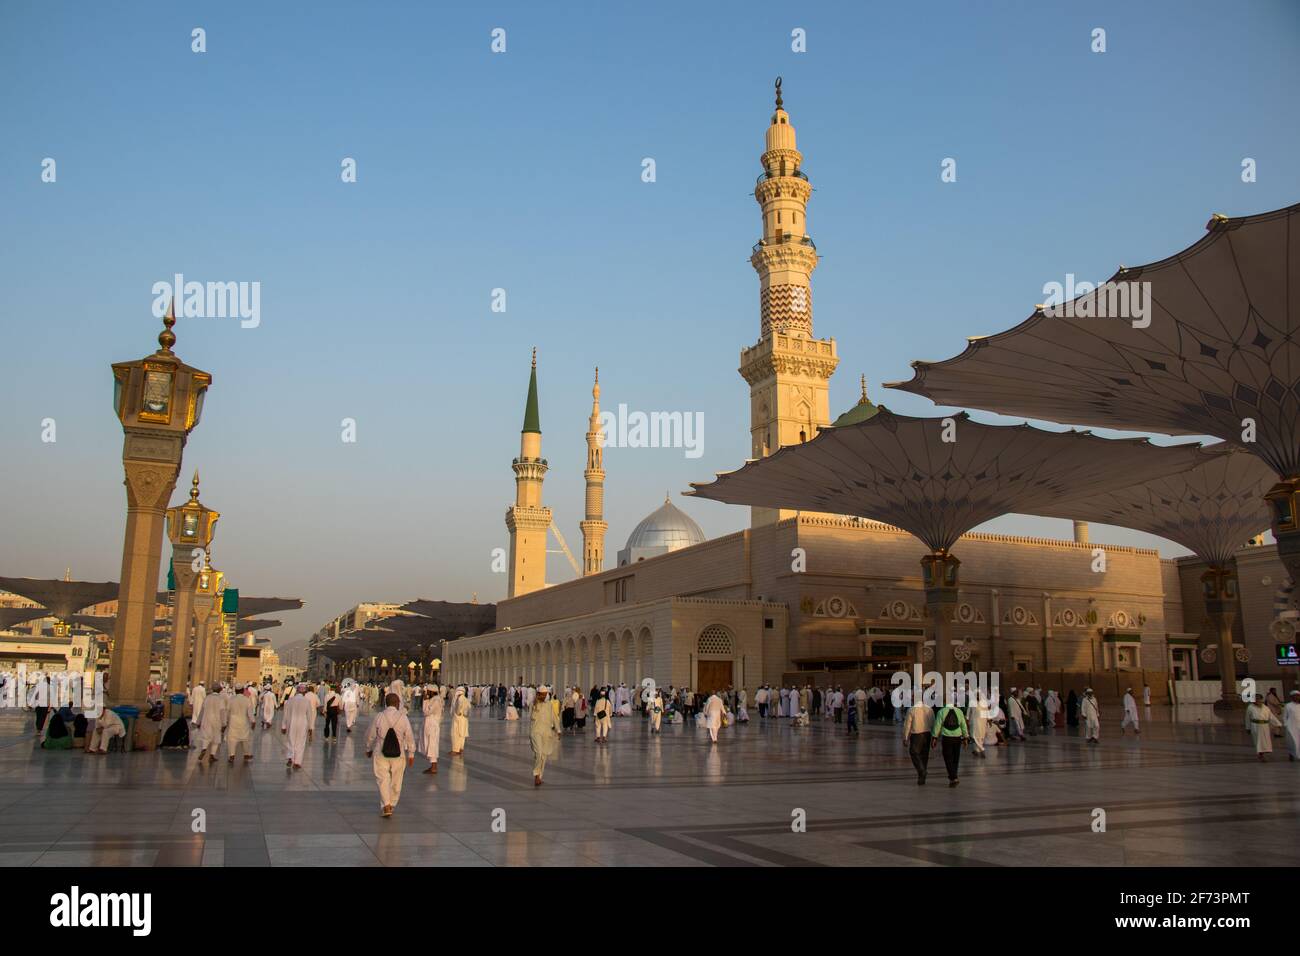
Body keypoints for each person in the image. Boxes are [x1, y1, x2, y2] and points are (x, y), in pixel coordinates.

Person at [366, 693, 416, 817]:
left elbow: (371, 735)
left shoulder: (379, 716)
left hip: (380, 752)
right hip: (398, 754)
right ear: (398, 703)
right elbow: (409, 736)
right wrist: (411, 753)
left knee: (383, 779)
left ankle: (386, 805)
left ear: (386, 703)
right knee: (396, 781)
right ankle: (391, 803)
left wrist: (368, 748)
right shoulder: (403, 718)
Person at [529, 686, 563, 786]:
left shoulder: (549, 705)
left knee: (543, 755)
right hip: (536, 732)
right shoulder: (534, 704)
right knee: (538, 753)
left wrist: (558, 730)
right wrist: (537, 700)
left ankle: (539, 776)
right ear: (538, 694)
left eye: (545, 694)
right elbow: (532, 710)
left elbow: (554, 718)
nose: (544, 696)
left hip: (546, 732)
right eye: (542, 694)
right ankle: (536, 774)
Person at [931, 695, 969, 787]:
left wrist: (934, 738)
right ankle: (954, 777)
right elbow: (963, 725)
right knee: (956, 758)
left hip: (947, 738)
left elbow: (937, 726)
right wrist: (965, 738)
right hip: (957, 737)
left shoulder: (941, 712)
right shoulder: (959, 711)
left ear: (945, 702)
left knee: (948, 758)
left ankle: (953, 777)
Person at [902, 687, 935, 785]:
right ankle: (922, 776)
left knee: (914, 752)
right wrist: (934, 736)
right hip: (927, 734)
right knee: (924, 755)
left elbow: (907, 725)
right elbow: (933, 723)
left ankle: (921, 771)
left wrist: (905, 738)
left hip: (917, 735)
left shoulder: (912, 710)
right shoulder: (929, 709)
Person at [281, 683, 313, 769]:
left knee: (290, 740)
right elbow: (310, 715)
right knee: (300, 742)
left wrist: (283, 726)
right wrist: (310, 728)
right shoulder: (306, 701)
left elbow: (286, 714)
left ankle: (290, 757)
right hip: (302, 724)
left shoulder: (290, 700)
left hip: (292, 722)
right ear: (304, 692)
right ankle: (297, 762)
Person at [1245, 695, 1282, 761]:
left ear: (1261, 700)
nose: (1257, 701)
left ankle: (1263, 752)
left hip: (1265, 726)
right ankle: (1260, 755)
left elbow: (1271, 717)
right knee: (1258, 741)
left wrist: (1278, 724)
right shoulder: (1250, 707)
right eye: (1255, 699)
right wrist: (1248, 727)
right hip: (1255, 726)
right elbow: (1247, 718)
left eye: (1259, 699)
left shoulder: (1266, 708)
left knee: (1265, 741)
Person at [199, 682, 227, 763]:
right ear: (219, 690)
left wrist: (198, 721)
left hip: (206, 720)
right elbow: (222, 712)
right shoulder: (220, 699)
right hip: (216, 720)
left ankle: (204, 749)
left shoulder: (207, 698)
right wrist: (224, 723)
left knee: (206, 736)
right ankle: (212, 755)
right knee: (216, 738)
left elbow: (202, 710)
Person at [226, 683, 255, 763]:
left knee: (232, 739)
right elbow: (250, 713)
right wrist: (253, 721)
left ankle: (232, 755)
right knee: (245, 739)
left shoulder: (231, 699)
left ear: (235, 690)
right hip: (243, 721)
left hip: (233, 722)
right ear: (242, 691)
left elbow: (227, 711)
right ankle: (246, 754)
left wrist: (226, 721)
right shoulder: (247, 700)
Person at [421, 683, 443, 773]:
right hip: (430, 725)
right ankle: (432, 766)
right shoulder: (434, 699)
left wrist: (425, 701)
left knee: (432, 745)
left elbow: (426, 712)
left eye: (428, 691)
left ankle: (434, 767)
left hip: (433, 726)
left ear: (431, 692)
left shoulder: (436, 701)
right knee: (430, 745)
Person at [450, 686, 470, 755]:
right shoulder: (466, 699)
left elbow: (458, 709)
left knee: (455, 734)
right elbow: (468, 709)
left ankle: (455, 750)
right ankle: (461, 748)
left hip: (458, 719)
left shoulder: (459, 699)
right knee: (462, 735)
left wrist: (458, 714)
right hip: (464, 719)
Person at [1282, 690, 1300, 762]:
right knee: (1292, 741)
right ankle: (1291, 754)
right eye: (1295, 696)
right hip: (1291, 726)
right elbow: (1284, 716)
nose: (1297, 697)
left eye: (1298, 695)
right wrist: (1286, 725)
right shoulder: (1288, 705)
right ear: (1292, 697)